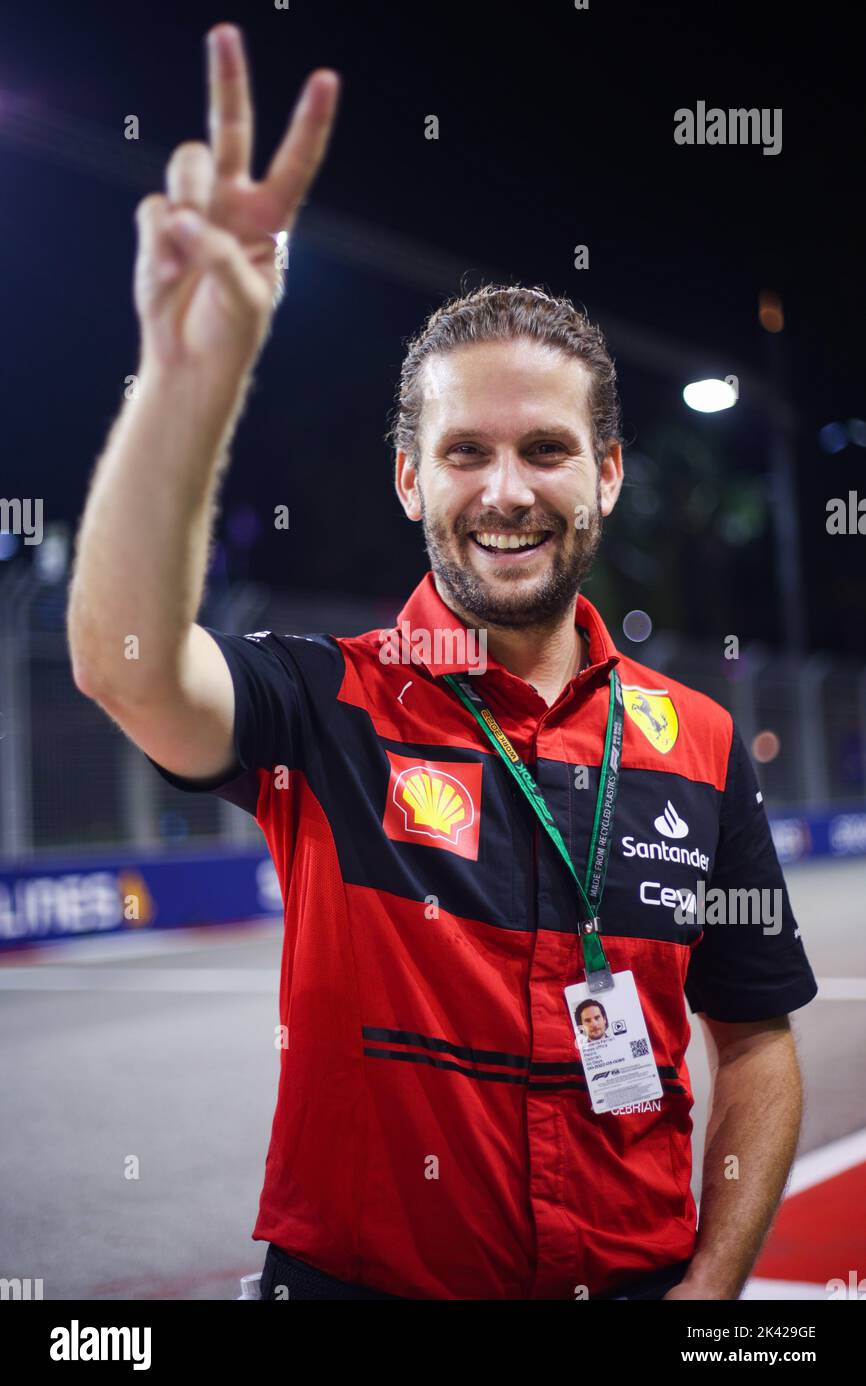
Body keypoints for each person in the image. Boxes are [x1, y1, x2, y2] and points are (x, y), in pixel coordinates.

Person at [67, 23, 818, 1302]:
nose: (505, 490)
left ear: (607, 474)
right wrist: (186, 380)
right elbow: (125, 665)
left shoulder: (694, 741)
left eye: (544, 449)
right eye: (464, 451)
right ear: (410, 474)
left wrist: (707, 1297)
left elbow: (753, 1041)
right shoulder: (322, 702)